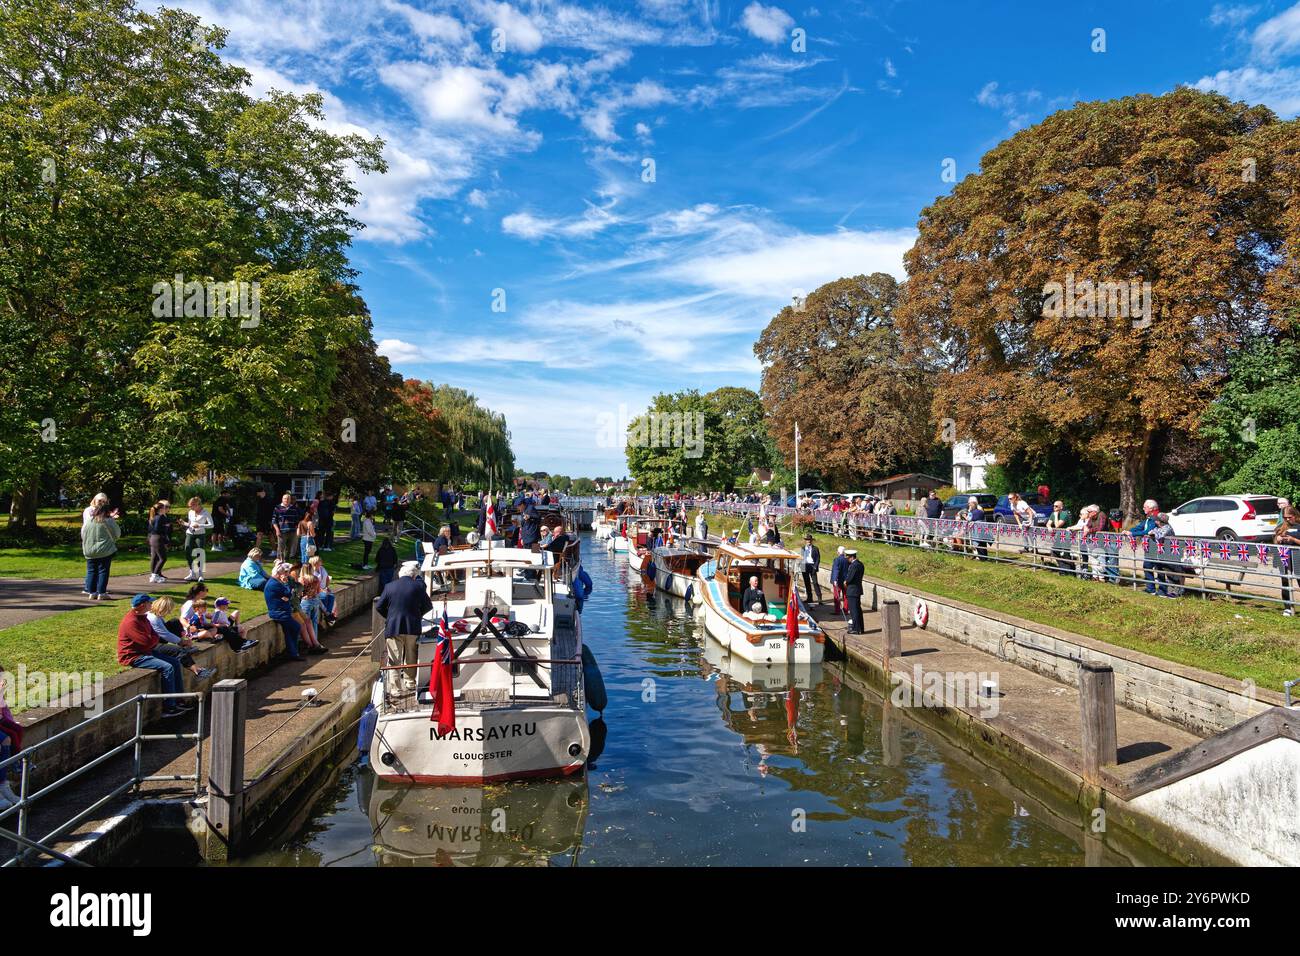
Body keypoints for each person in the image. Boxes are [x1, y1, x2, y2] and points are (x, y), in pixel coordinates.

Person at [118, 594, 194, 717]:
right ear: (143, 605)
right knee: (167, 667)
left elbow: (154, 637)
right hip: (133, 656)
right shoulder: (131, 621)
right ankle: (169, 707)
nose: (152, 604)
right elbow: (147, 641)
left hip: (146, 651)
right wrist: (152, 639)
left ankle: (178, 699)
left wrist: (152, 639)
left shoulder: (143, 618)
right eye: (149, 602)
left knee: (174, 662)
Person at [376, 561, 433, 694]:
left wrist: (389, 616)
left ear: (401, 574)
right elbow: (428, 605)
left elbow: (379, 606)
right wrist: (418, 615)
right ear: (414, 575)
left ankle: (395, 688)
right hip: (412, 626)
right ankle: (410, 682)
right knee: (411, 654)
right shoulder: (418, 587)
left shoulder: (389, 586)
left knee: (394, 658)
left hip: (393, 626)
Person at [80, 499, 121, 600]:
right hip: (104, 549)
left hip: (89, 550)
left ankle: (92, 592)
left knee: (91, 571)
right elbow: (117, 534)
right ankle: (102, 593)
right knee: (103, 570)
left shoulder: (89, 521)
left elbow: (83, 534)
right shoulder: (108, 520)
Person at [264, 562, 305, 661]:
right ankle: (293, 652)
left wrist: (286, 594)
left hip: (282, 612)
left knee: (288, 631)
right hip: (280, 614)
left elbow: (286, 596)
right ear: (278, 574)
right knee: (296, 627)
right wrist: (286, 584)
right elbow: (288, 595)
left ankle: (293, 653)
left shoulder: (274, 582)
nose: (285, 575)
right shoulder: (274, 584)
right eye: (283, 573)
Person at [1129, 499, 1161, 594]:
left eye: (1145, 507)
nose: (1143, 509)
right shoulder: (1149, 518)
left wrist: (1132, 534)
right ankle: (1151, 589)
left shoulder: (1155, 518)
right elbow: (1140, 527)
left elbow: (1148, 531)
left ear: (1151, 508)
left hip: (1157, 546)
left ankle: (1160, 590)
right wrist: (1130, 531)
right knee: (1147, 566)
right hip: (1150, 546)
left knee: (1158, 568)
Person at [1274, 506, 1300, 617]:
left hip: (1298, 557)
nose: (1287, 519)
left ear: (1295, 515)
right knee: (1285, 582)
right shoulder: (1282, 526)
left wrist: (1293, 540)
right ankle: (1288, 607)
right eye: (1285, 517)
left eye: (1289, 517)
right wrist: (1278, 539)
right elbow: (1274, 540)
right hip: (1284, 557)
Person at [180, 496, 213, 582]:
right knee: (187, 551)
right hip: (190, 533)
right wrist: (184, 523)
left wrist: (200, 525)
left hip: (200, 534)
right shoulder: (191, 512)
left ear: (197, 504)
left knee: (200, 553)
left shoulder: (205, 512)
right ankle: (192, 573)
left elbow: (211, 525)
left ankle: (201, 574)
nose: (190, 508)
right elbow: (190, 524)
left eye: (192, 506)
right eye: (190, 506)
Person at [147, 499, 173, 584]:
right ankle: (155, 575)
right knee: (163, 558)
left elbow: (152, 528)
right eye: (165, 507)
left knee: (155, 557)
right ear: (161, 509)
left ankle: (154, 575)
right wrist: (165, 526)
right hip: (157, 538)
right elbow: (157, 529)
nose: (167, 509)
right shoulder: (160, 517)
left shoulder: (153, 517)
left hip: (153, 538)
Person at [1045, 500, 1074, 575]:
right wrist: (1049, 527)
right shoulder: (1053, 513)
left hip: (1066, 536)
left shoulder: (1065, 514)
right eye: (1054, 506)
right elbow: (1048, 523)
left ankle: (1070, 570)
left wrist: (1055, 516)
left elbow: (1057, 525)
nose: (1054, 507)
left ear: (1061, 507)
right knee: (1054, 551)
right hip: (1059, 536)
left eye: (1056, 506)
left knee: (1065, 554)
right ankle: (1064, 569)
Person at [307, 555, 338, 624]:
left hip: (324, 588)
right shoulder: (311, 572)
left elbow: (327, 578)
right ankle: (328, 615)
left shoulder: (322, 568)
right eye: (319, 561)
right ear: (315, 563)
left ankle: (328, 615)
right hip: (316, 590)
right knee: (324, 596)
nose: (321, 562)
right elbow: (314, 585)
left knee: (331, 596)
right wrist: (322, 590)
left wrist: (327, 587)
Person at [272, 493, 301, 563]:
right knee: (281, 548)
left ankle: (286, 562)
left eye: (288, 499)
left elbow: (297, 520)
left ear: (290, 500)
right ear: (282, 499)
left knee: (289, 548)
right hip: (282, 531)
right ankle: (279, 563)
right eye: (285, 498)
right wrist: (277, 530)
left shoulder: (294, 508)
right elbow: (274, 520)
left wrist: (297, 529)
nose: (286, 500)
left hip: (292, 531)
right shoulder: (277, 508)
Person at [843, 549, 865, 633]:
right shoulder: (860, 564)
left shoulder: (854, 565)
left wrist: (846, 582)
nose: (847, 559)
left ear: (852, 557)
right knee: (858, 610)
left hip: (852, 590)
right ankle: (860, 628)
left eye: (848, 557)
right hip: (857, 589)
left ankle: (856, 629)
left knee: (854, 610)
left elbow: (850, 578)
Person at [800, 534, 822, 604]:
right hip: (805, 566)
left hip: (812, 566)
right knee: (807, 583)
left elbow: (818, 559)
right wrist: (802, 568)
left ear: (811, 541)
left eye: (809, 540)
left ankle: (819, 598)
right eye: (807, 540)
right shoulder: (803, 548)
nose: (808, 541)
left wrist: (815, 566)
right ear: (805, 541)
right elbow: (801, 558)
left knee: (815, 583)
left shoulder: (815, 548)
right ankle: (809, 598)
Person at [829, 545, 847, 613]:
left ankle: (837, 610)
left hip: (838, 581)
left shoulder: (837, 559)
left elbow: (836, 570)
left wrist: (834, 580)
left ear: (838, 552)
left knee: (837, 595)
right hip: (845, 581)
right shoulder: (847, 559)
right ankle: (846, 609)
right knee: (845, 596)